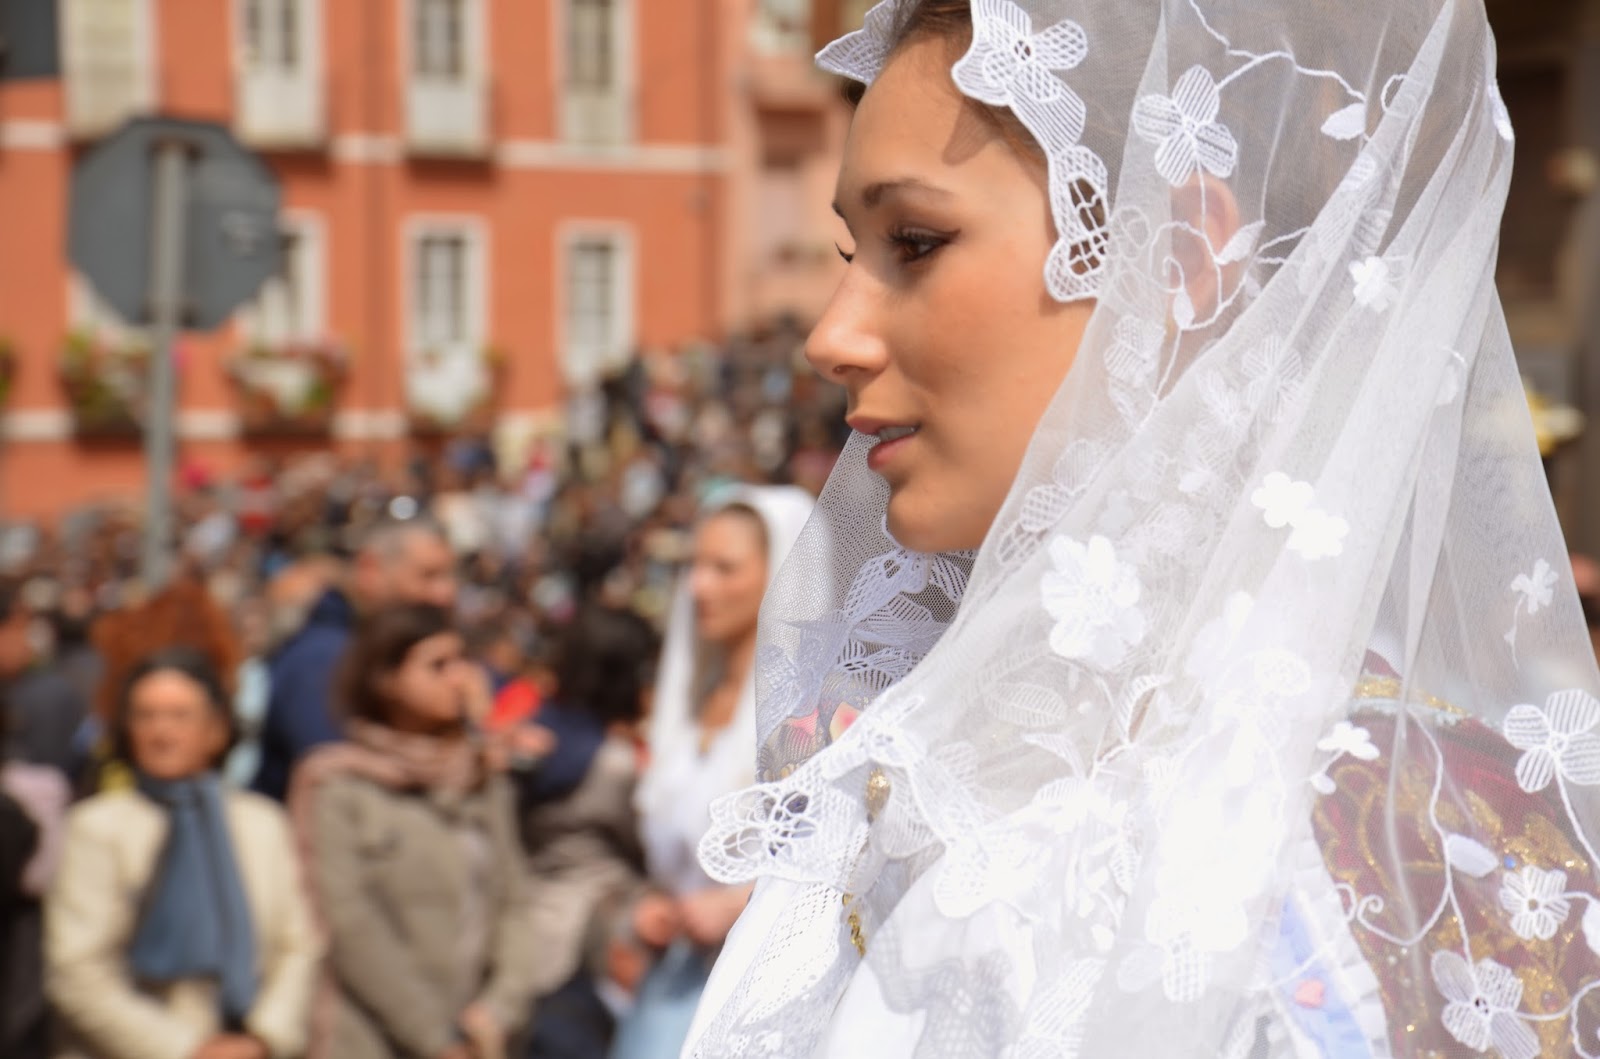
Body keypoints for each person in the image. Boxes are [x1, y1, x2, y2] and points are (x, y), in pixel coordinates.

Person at [682, 1, 1600, 1056]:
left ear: (1175, 257)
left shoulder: (1371, 846)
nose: (831, 335)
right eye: (852, 252)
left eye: (916, 243)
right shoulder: (913, 795)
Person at [607, 487, 812, 1059]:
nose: (700, 587)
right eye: (696, 566)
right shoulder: (690, 705)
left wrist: (740, 903)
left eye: (725, 568)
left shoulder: (813, 716)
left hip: (756, 1000)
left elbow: (844, 861)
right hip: (668, 990)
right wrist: (644, 909)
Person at [45, 648, 320, 1059]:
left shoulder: (261, 822)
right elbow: (77, 972)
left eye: (179, 716)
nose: (162, 732)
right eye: (146, 716)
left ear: (216, 729)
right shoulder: (99, 827)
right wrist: (188, 1049)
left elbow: (299, 945)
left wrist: (263, 1038)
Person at [290, 603, 537, 1059]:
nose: (459, 677)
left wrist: (497, 1011)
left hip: (477, 1037)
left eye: (461, 660)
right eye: (437, 665)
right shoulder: (339, 786)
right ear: (387, 679)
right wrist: (433, 1037)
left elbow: (516, 903)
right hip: (374, 1040)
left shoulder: (482, 780)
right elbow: (349, 925)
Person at [518, 604, 658, 1059]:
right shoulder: (613, 764)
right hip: (588, 944)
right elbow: (647, 847)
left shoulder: (532, 736)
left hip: (529, 934)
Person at [253, 516, 456, 801]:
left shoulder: (417, 647)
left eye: (449, 576)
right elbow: (336, 783)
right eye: (428, 575)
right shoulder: (323, 659)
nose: (445, 594)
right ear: (370, 569)